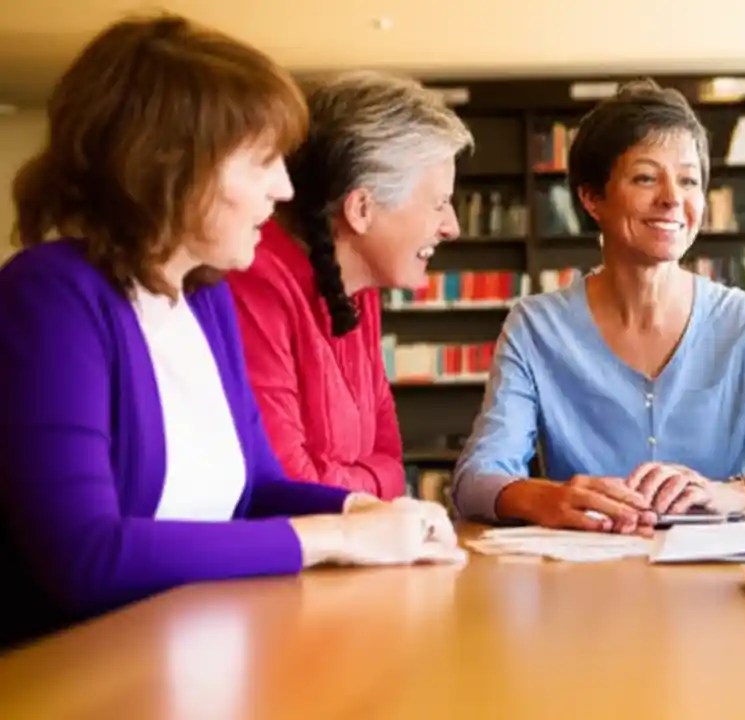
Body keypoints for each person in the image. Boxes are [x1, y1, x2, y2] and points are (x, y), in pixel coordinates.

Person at [0, 14, 463, 647]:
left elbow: (258, 487)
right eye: (262, 161)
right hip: (87, 672)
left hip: (203, 651)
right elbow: (84, 554)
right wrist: (340, 536)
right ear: (173, 166)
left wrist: (369, 511)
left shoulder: (206, 299)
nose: (284, 187)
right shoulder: (50, 295)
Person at [451, 80, 745, 534]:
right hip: (586, 578)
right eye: (645, 177)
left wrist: (735, 493)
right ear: (591, 197)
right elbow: (474, 480)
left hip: (720, 584)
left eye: (688, 180)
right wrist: (548, 497)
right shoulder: (537, 326)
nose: (672, 198)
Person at [226, 71, 472, 500]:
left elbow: (392, 462)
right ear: (361, 208)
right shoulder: (253, 282)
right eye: (439, 204)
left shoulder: (358, 291)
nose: (451, 227)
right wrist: (367, 480)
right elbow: (288, 486)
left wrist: (356, 479)